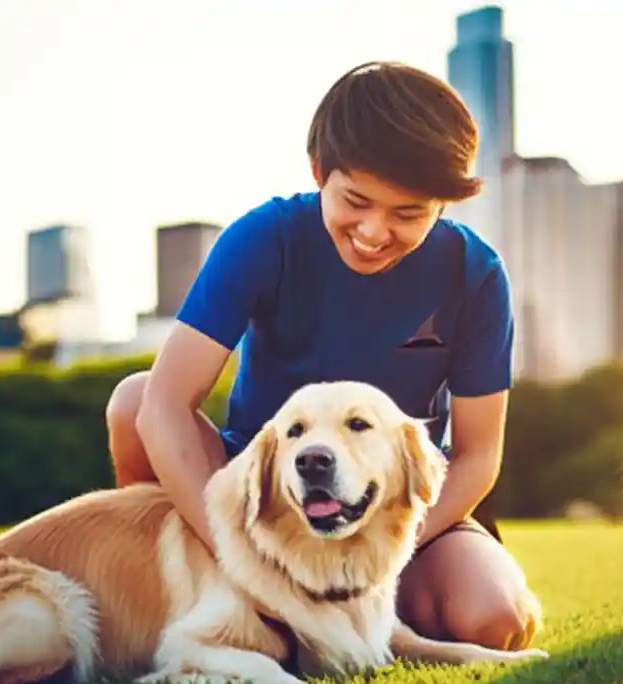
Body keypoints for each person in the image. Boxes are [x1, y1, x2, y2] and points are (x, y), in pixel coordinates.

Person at [106, 61, 538, 652]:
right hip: (262, 497)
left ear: (442, 204)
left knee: (495, 620)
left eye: (407, 213)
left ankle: (353, 613)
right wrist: (244, 561)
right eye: (356, 200)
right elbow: (162, 406)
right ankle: (189, 593)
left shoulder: (477, 275)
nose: (373, 231)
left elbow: (479, 454)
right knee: (132, 401)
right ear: (319, 173)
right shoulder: (264, 238)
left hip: (395, 510)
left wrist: (382, 556)